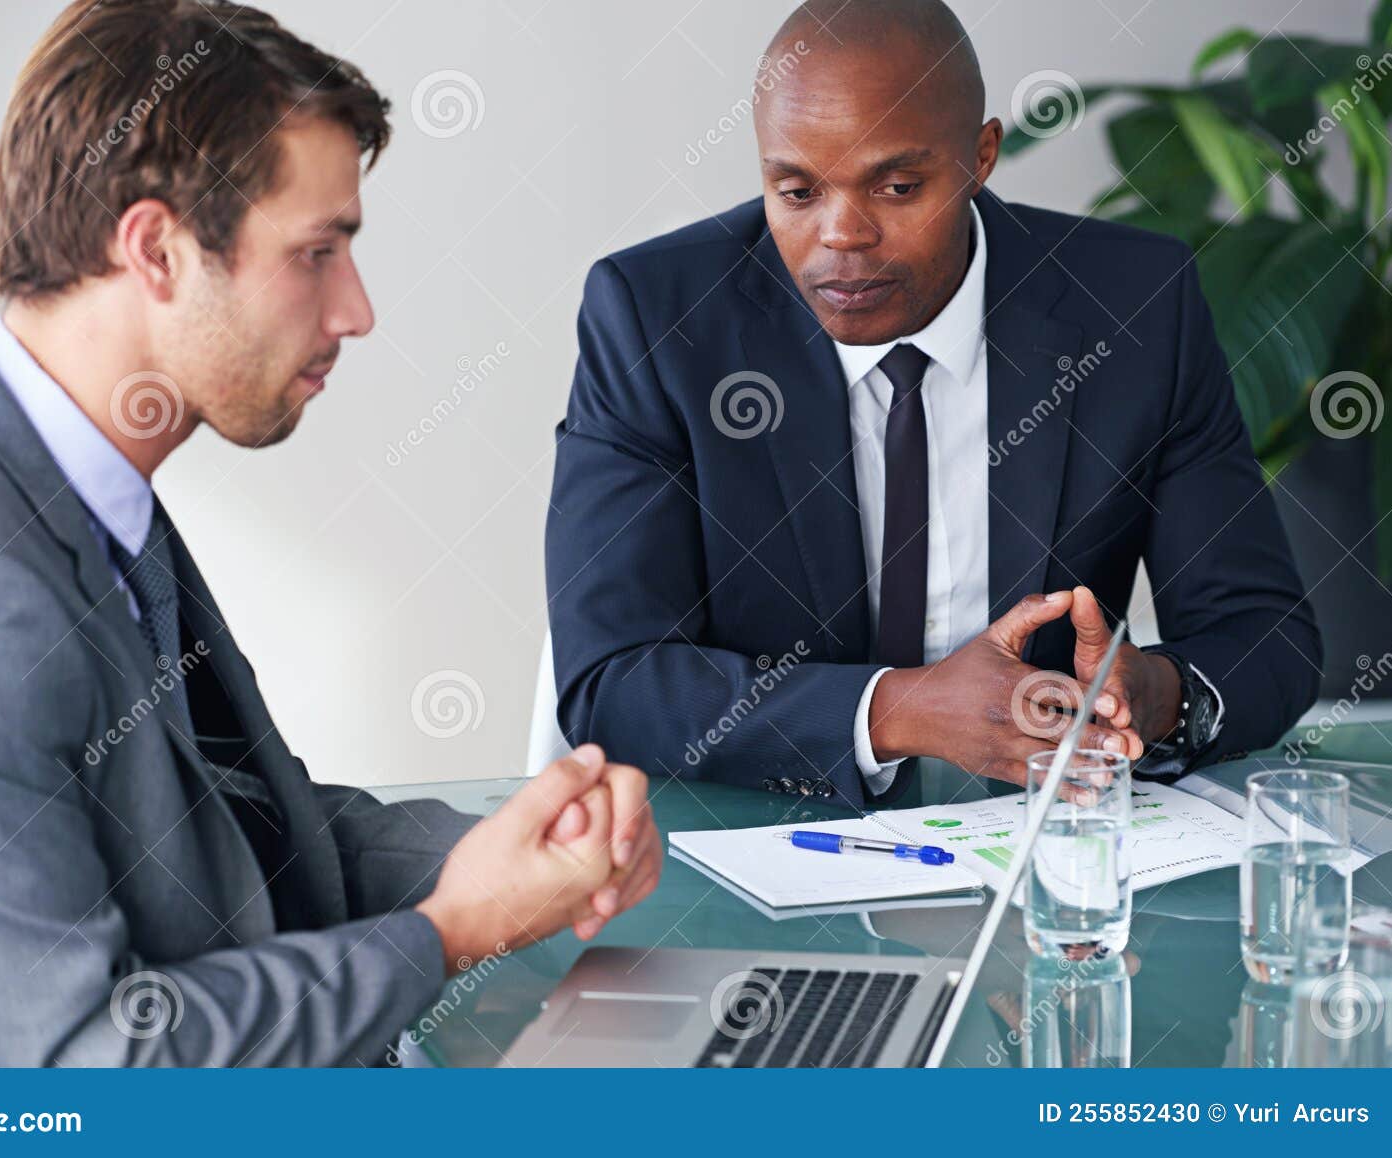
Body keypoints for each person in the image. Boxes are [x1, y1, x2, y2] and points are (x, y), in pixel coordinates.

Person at [0, 0, 659, 1067]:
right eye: (316, 253)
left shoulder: (72, 484)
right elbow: (88, 1072)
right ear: (157, 249)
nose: (356, 311)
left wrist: (517, 848)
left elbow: (238, 833)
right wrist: (452, 931)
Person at [545, 0, 1319, 809]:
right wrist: (901, 711)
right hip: (766, 834)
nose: (843, 235)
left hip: (1040, 841)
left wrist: (1155, 695)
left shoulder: (1133, 306)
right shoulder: (659, 320)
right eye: (798, 191)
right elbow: (612, 680)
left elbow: (1265, 631)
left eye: (897, 186)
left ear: (981, 157)